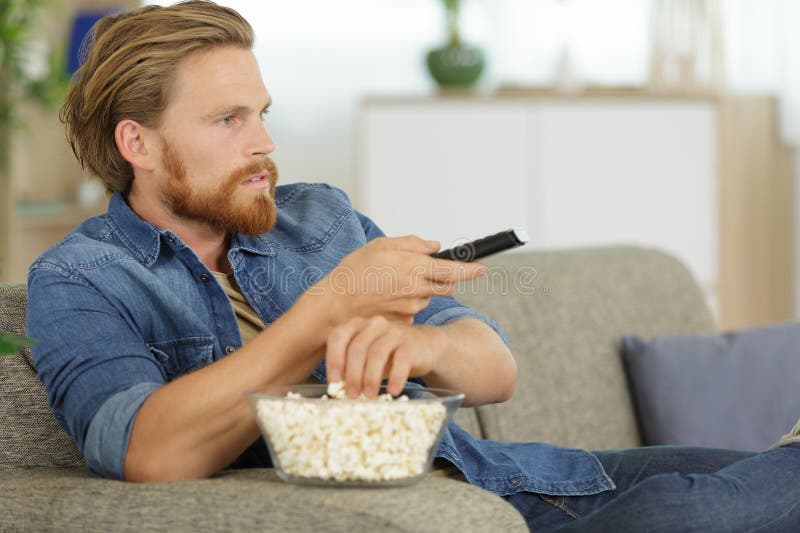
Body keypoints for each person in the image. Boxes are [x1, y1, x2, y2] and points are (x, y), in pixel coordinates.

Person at [26, 2, 800, 531]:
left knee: (761, 479)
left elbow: (495, 368)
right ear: (140, 145)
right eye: (229, 120)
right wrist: (322, 316)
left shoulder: (317, 217)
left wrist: (428, 346)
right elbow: (145, 449)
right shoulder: (83, 278)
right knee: (694, 515)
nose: (262, 142)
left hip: (517, 478)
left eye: (264, 114)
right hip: (430, 507)